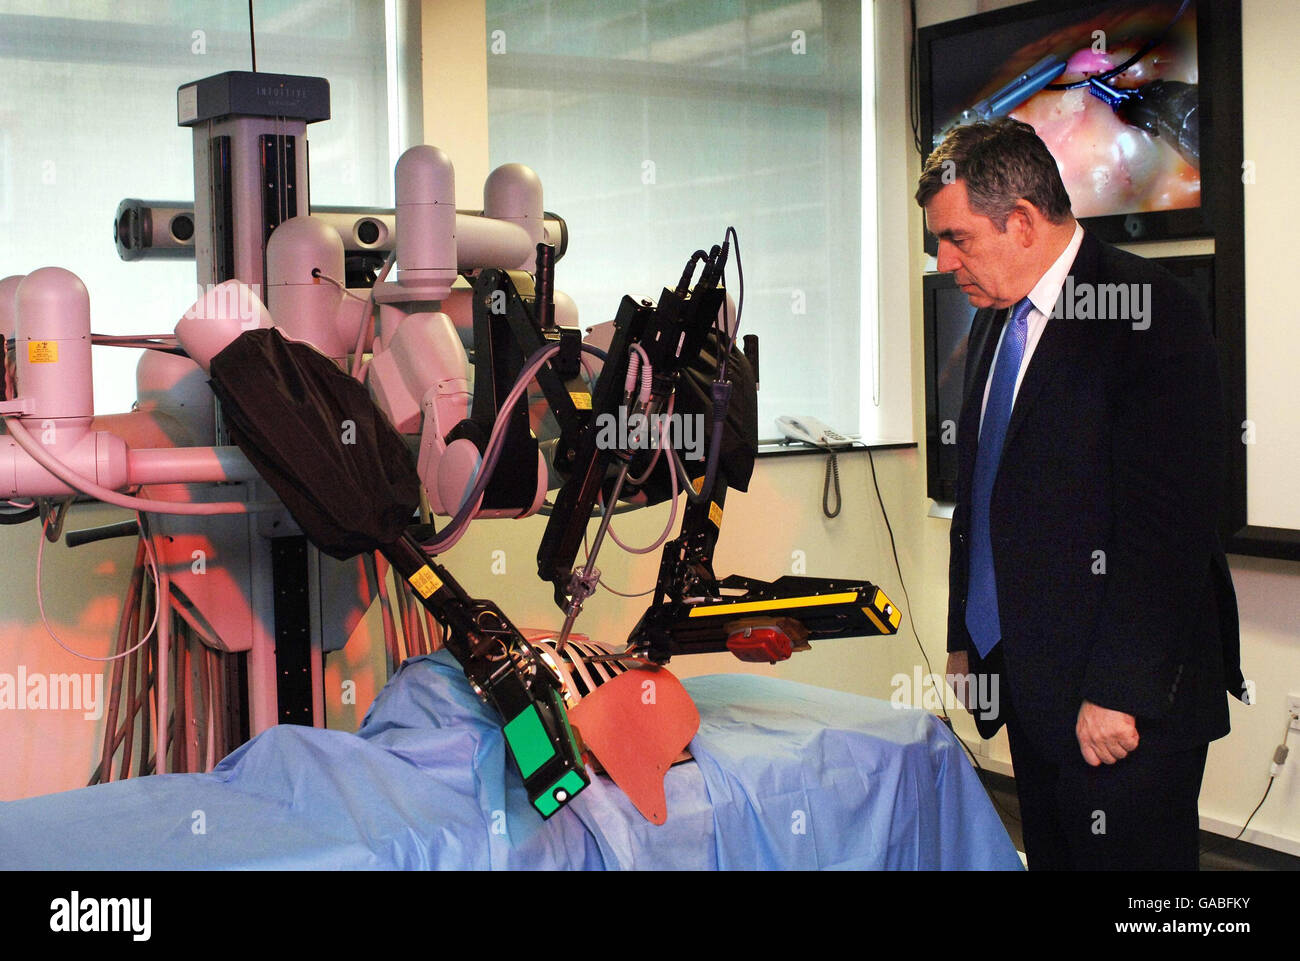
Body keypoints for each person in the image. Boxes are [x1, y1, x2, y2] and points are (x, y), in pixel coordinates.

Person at [916, 118, 1244, 870]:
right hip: (1031, 684)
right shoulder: (997, 320)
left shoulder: (1149, 311)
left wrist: (1118, 690)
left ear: (1023, 220)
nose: (943, 260)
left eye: (957, 237)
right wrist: (969, 637)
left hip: (1121, 706)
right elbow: (982, 491)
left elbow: (1172, 528)